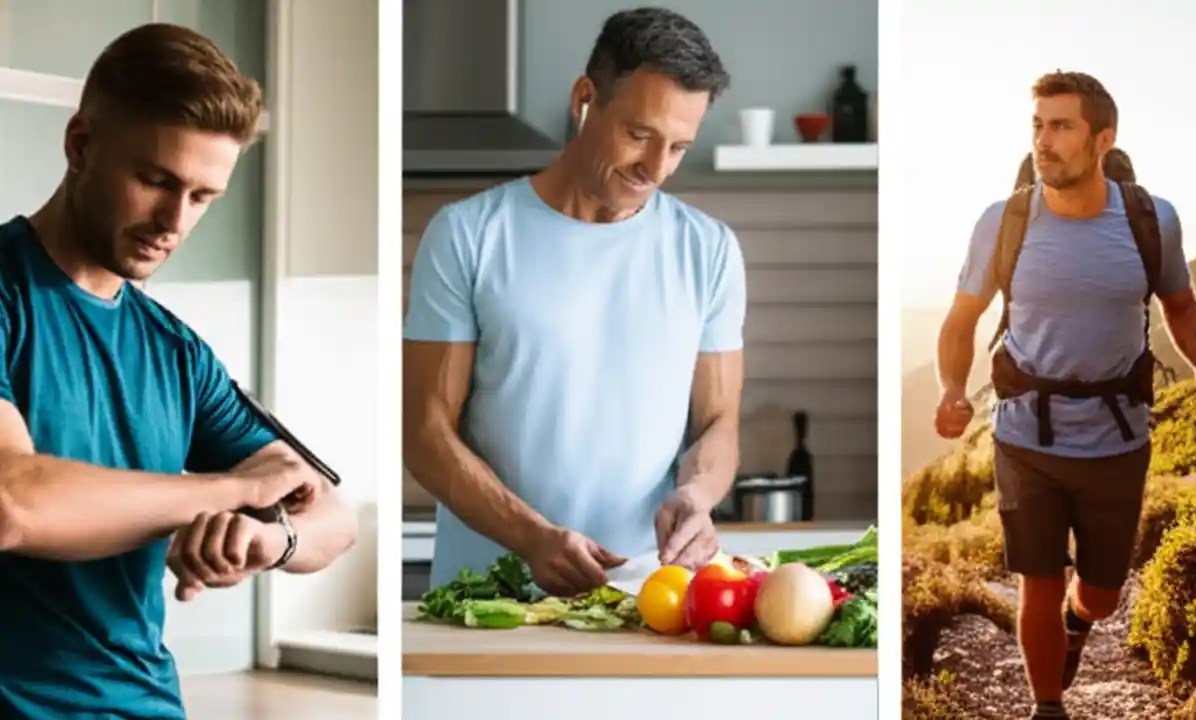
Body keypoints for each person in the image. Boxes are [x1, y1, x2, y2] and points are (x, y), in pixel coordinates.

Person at [0, 24, 358, 718]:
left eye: (202, 197)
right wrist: (222, 491)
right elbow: (13, 503)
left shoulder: (177, 352)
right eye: (156, 180)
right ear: (80, 145)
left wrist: (267, 539)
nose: (174, 220)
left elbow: (331, 516)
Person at [403, 7, 745, 597]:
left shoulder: (708, 250)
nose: (656, 168)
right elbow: (425, 433)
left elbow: (718, 423)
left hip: (644, 600)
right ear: (585, 98)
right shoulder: (468, 235)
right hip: (486, 602)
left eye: (678, 147)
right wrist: (531, 536)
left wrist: (698, 494)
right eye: (639, 135)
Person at [933, 71, 1196, 720]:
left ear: (1103, 139)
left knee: (1101, 594)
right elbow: (961, 322)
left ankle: (1080, 622)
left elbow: (1181, 306)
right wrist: (952, 391)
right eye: (1037, 126)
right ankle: (1048, 707)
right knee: (1038, 584)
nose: (1043, 141)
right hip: (1025, 436)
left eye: (1061, 126)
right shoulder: (1004, 221)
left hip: (1117, 437)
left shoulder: (1151, 220)